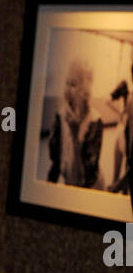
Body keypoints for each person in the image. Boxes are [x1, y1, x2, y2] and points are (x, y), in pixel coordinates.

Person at [47, 56, 104, 189]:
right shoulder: (60, 117)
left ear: (85, 91)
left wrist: (74, 136)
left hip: (91, 189)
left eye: (73, 84)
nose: (67, 89)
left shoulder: (95, 121)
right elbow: (55, 164)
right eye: (66, 82)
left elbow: (85, 178)